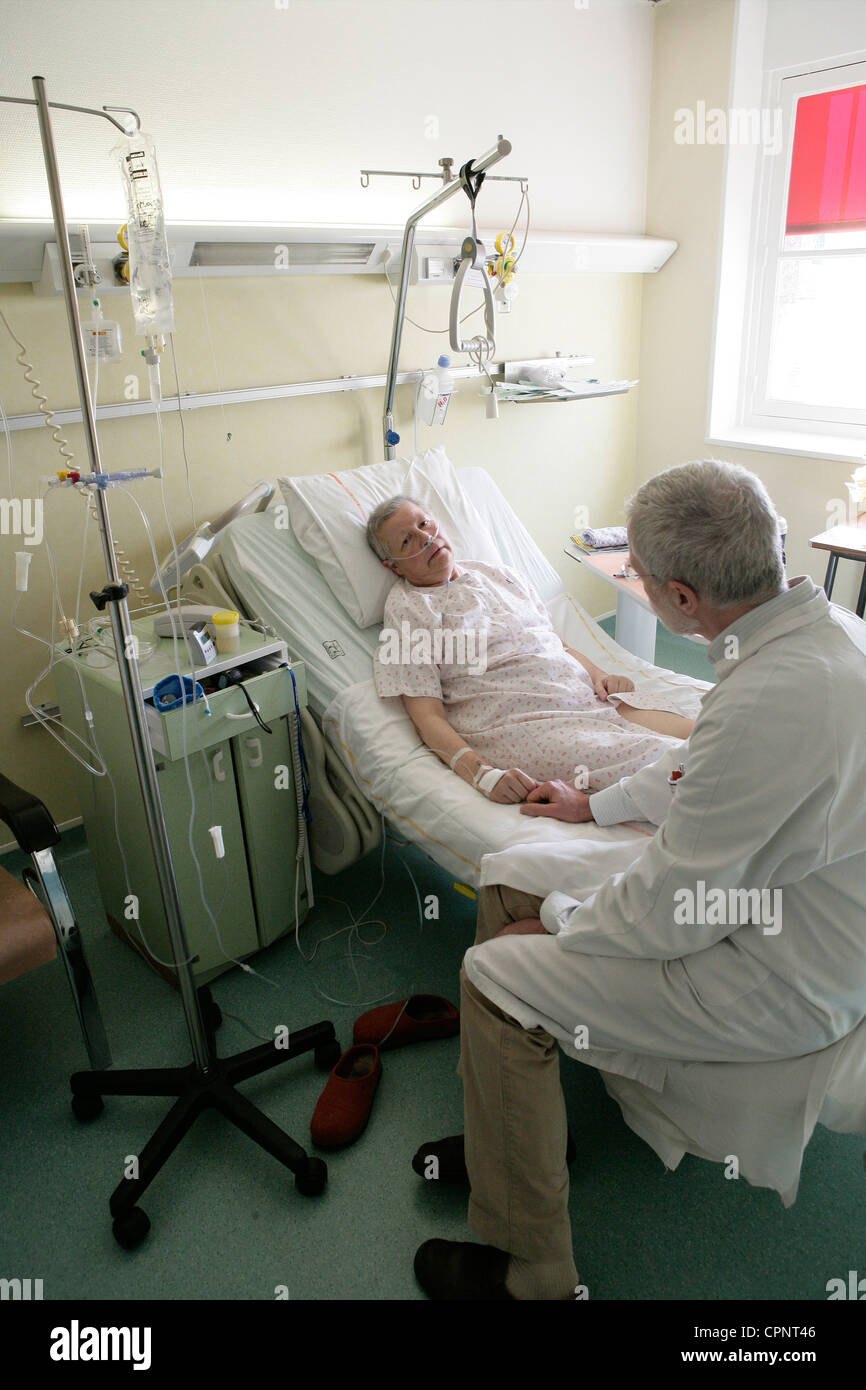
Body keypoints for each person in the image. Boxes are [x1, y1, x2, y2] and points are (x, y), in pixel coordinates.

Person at [408, 457, 866, 1301]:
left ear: (682, 600)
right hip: (779, 903)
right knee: (509, 876)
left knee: (492, 971)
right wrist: (596, 804)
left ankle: (534, 1270)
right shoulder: (818, 636)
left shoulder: (770, 696)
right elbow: (699, 767)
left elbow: (671, 912)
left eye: (642, 580)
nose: (641, 590)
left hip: (780, 970)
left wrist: (563, 921)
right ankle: (508, 1134)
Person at [367, 496, 696, 807]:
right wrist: (481, 775)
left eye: (424, 524)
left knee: (712, 737)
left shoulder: (498, 574)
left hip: (588, 698)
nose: (425, 538)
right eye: (406, 541)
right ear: (393, 566)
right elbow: (427, 717)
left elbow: (553, 642)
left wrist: (600, 675)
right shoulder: (408, 609)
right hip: (525, 725)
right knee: (683, 770)